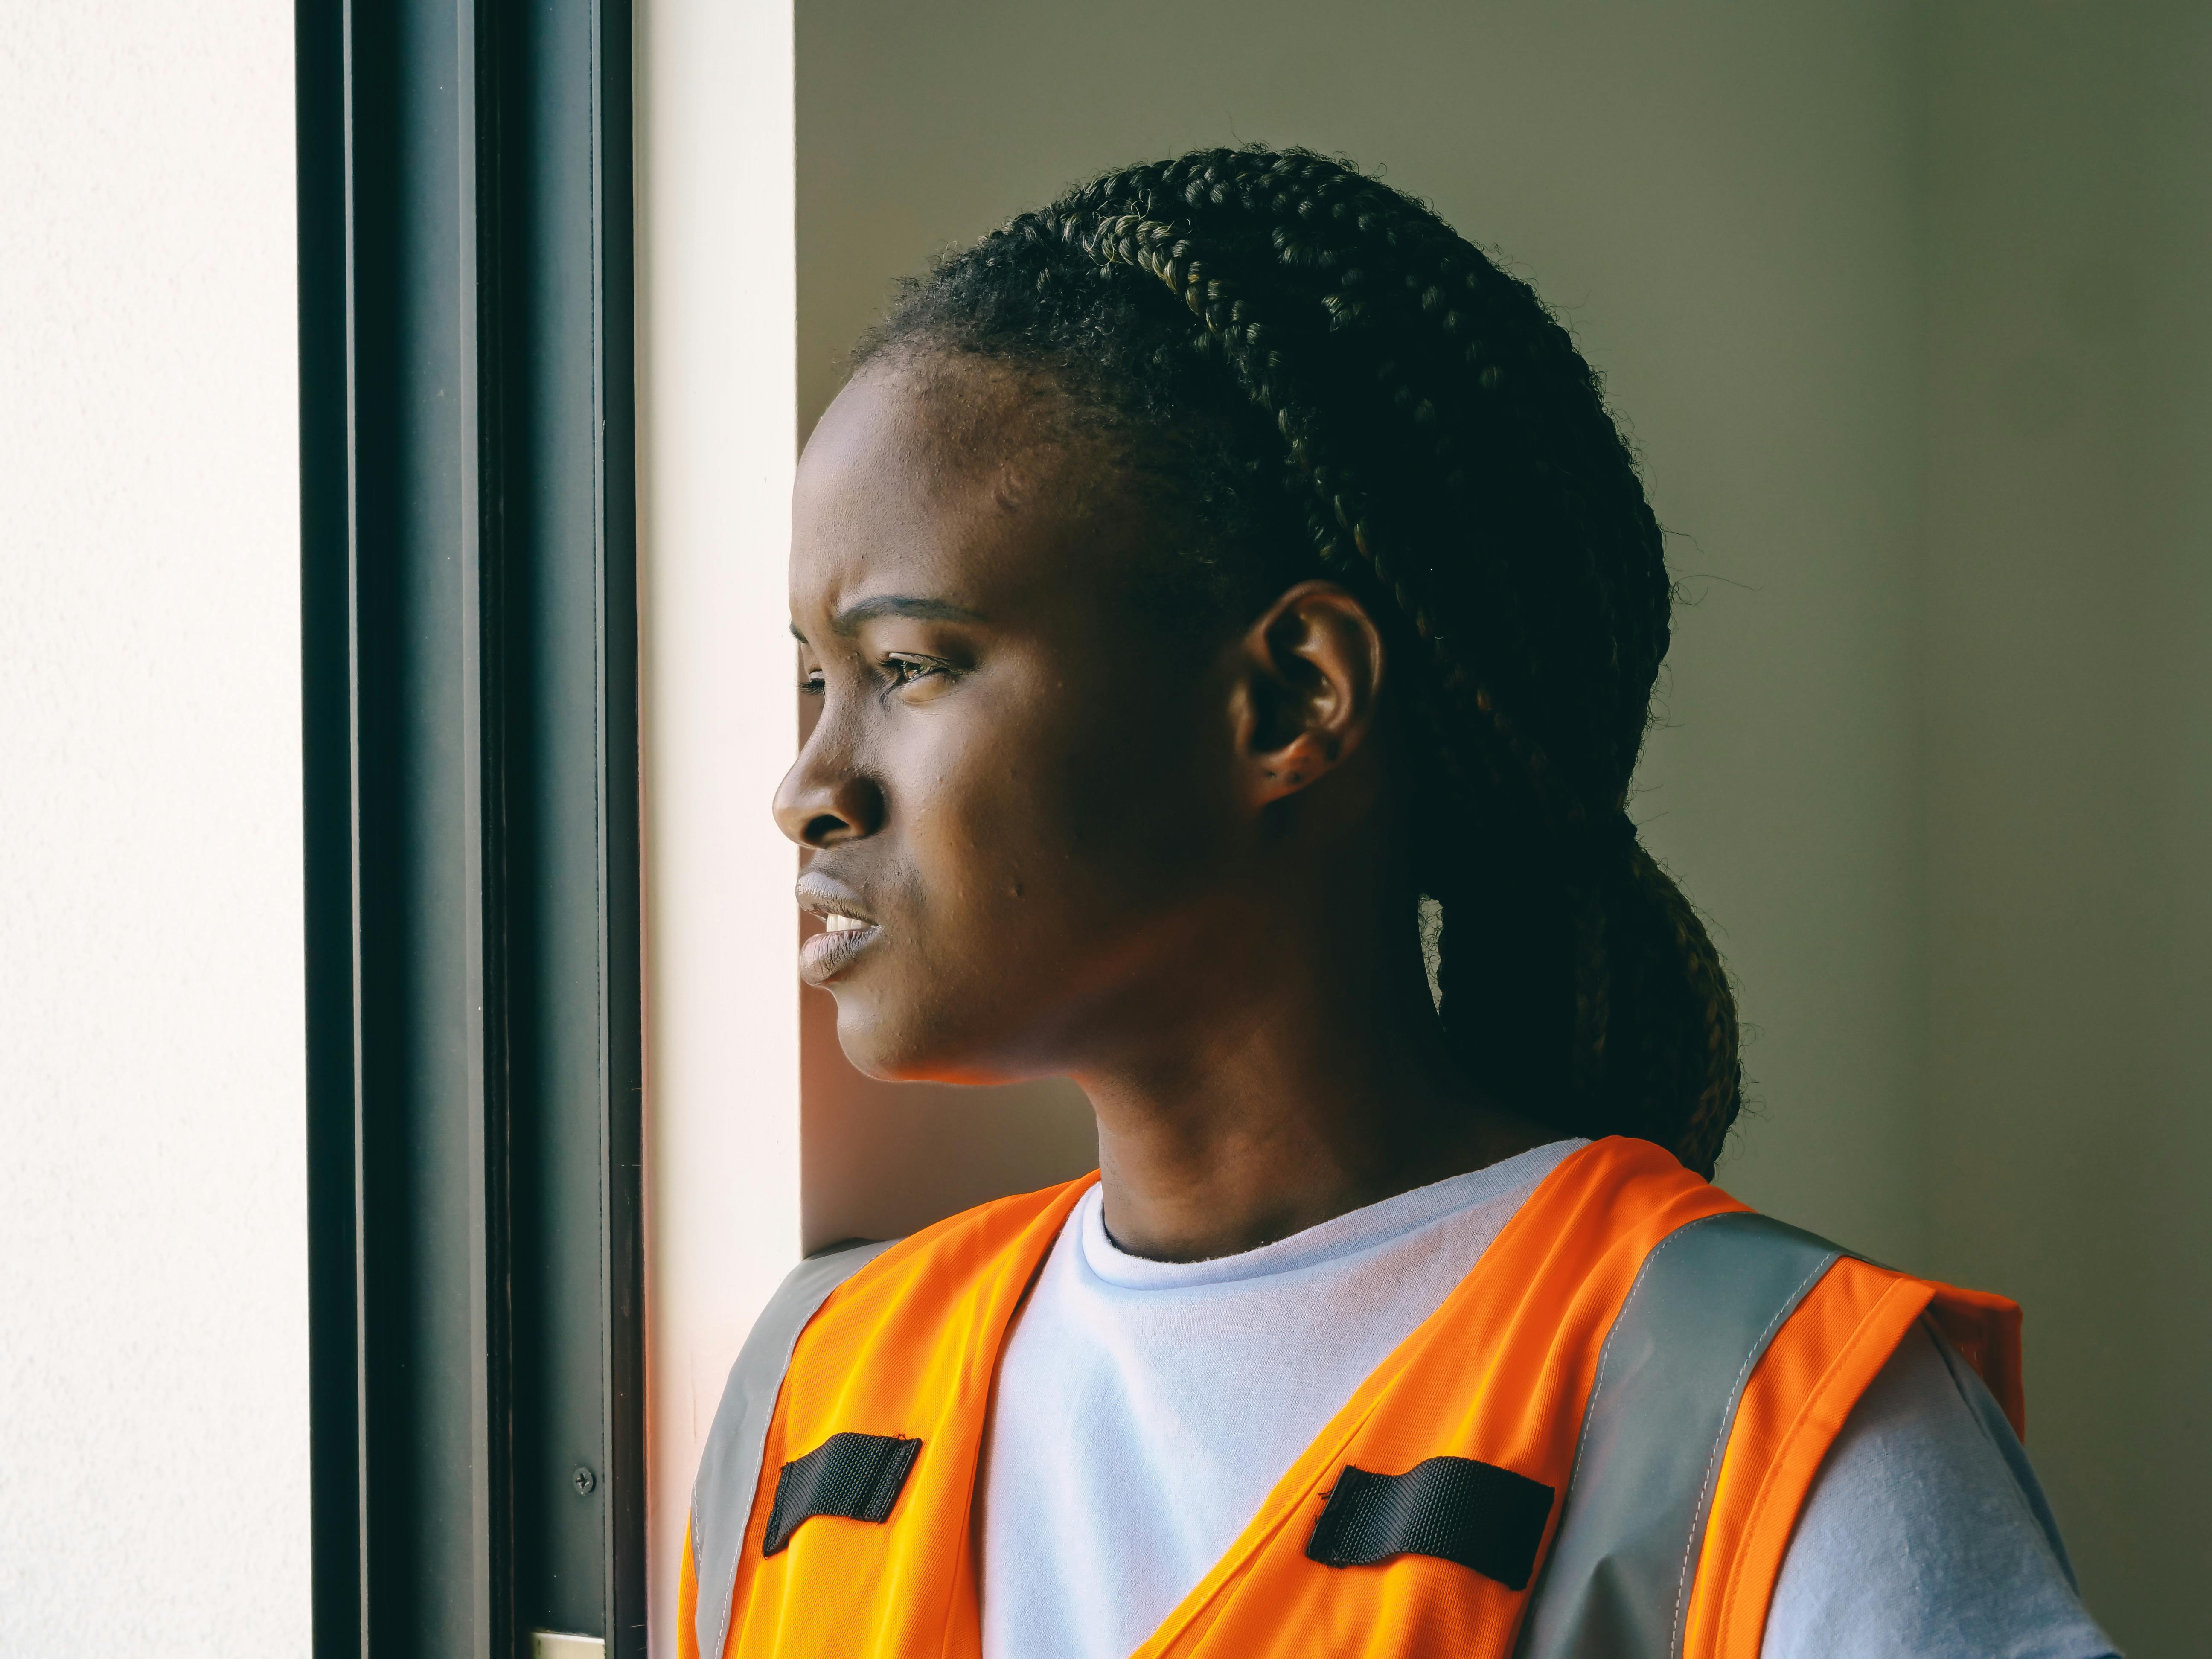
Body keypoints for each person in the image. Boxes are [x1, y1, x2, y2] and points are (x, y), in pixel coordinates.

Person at [678, 148, 2115, 1659]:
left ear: (1291, 699)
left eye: (908, 667)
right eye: (812, 678)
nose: (807, 786)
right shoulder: (811, 1397)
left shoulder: (1777, 1423)